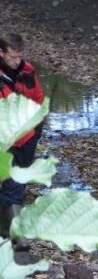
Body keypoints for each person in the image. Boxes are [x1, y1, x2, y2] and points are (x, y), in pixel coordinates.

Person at [0, 32, 44, 249]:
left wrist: (36, 129)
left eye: (19, 57)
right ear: (1, 53)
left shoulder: (27, 73)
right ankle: (18, 238)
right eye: (12, 57)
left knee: (17, 184)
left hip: (27, 139)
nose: (16, 62)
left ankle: (5, 230)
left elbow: (38, 98)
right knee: (13, 185)